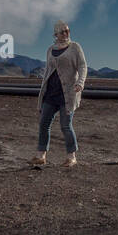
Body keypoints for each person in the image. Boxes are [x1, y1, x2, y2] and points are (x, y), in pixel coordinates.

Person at [32, 20, 87, 168]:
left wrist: (80, 82)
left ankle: (71, 157)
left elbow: (82, 65)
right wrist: (41, 95)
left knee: (65, 126)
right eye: (62, 31)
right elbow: (47, 72)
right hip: (51, 93)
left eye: (68, 30)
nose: (66, 33)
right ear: (55, 34)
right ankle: (41, 155)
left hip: (67, 94)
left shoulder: (75, 47)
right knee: (44, 124)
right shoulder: (50, 49)